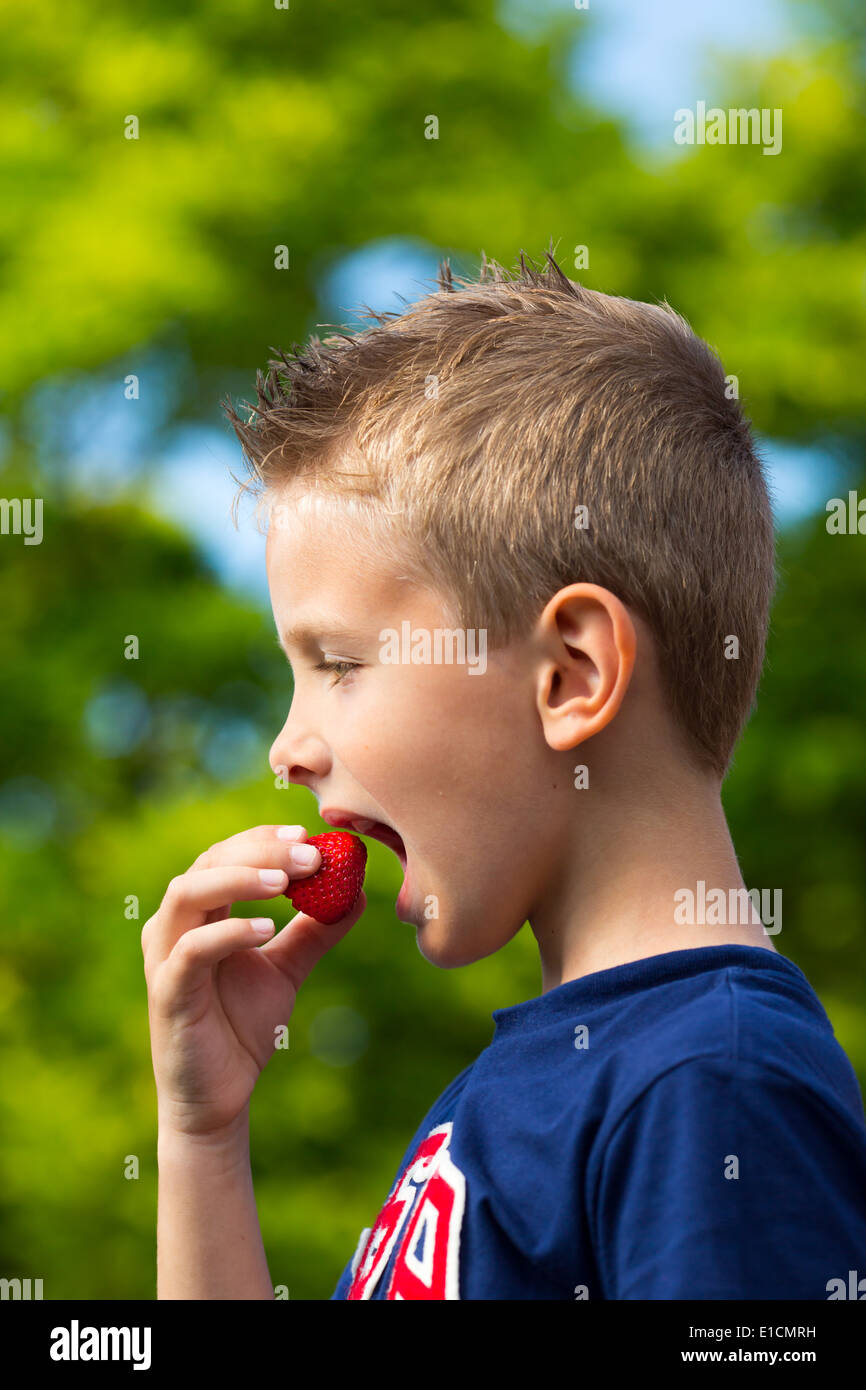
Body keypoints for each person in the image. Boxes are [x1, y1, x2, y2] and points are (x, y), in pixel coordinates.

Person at [142, 247, 866, 1299]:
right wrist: (203, 1137)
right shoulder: (511, 1095)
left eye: (338, 663)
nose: (285, 747)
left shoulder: (709, 1084)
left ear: (570, 673)